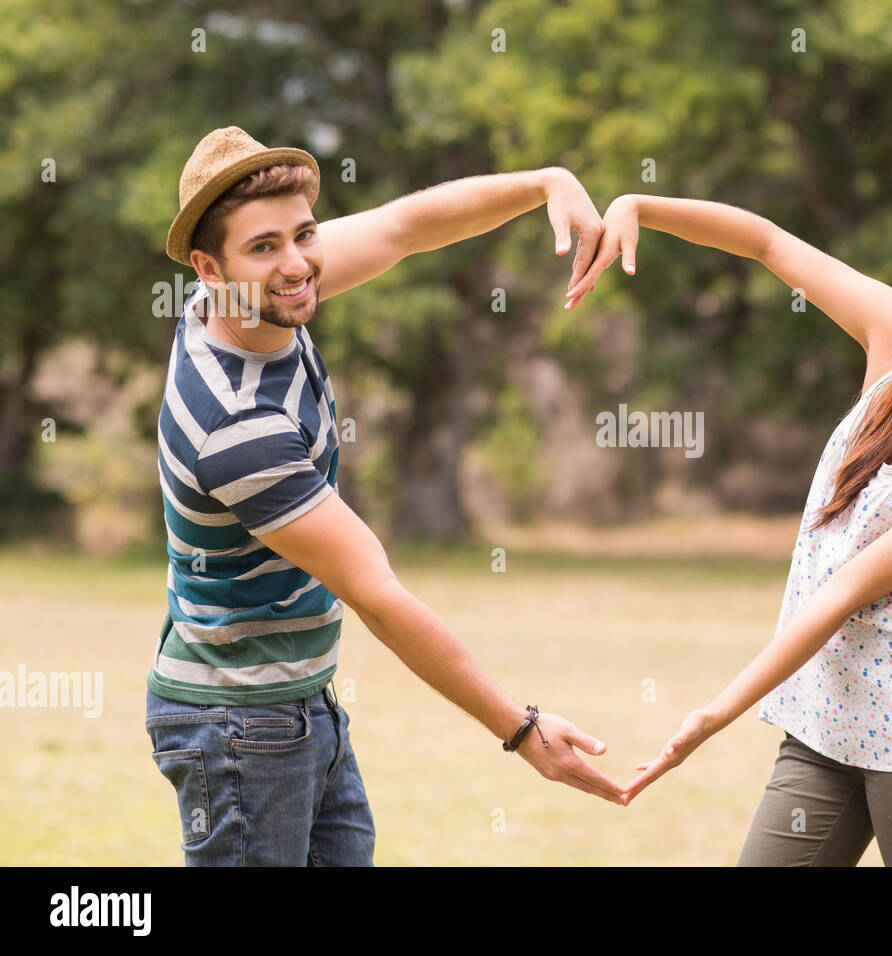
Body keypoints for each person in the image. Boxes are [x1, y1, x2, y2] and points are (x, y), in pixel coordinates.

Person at [147, 126, 626, 867]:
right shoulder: (234, 426)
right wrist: (523, 730)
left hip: (296, 701)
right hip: (238, 726)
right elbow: (378, 593)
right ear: (210, 267)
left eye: (304, 234)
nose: (300, 263)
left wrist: (545, 182)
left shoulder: (257, 297)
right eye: (265, 247)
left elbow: (407, 227)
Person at [565, 199, 892, 865]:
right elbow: (765, 241)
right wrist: (638, 206)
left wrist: (712, 715)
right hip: (827, 724)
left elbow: (844, 592)